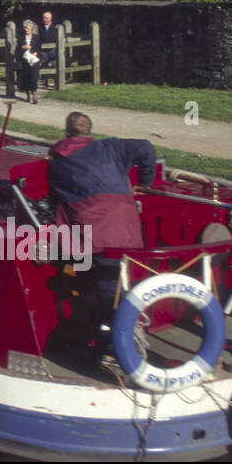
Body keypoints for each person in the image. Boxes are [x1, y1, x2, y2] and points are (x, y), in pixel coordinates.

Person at [48, 111, 156, 365]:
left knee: (107, 289)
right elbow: (147, 148)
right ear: (90, 132)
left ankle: (113, 346)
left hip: (93, 233)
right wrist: (145, 183)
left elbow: (58, 199)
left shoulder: (58, 163)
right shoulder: (111, 147)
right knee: (114, 282)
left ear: (66, 133)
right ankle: (110, 335)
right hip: (126, 226)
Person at [15, 19, 41, 103]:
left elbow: (39, 48)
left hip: (33, 60)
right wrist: (23, 47)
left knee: (34, 77)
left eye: (28, 28)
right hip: (24, 59)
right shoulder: (21, 37)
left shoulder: (36, 37)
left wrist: (36, 53)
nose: (26, 30)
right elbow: (17, 49)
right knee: (25, 77)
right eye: (25, 28)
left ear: (31, 28)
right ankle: (27, 96)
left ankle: (34, 96)